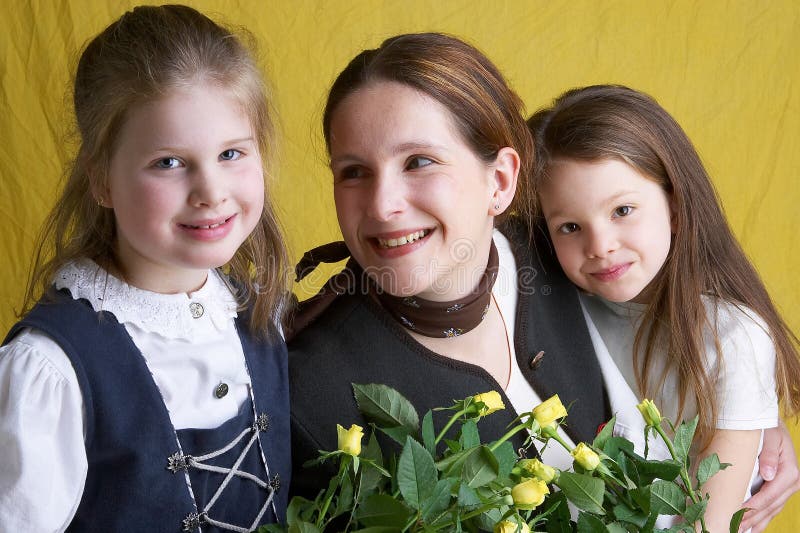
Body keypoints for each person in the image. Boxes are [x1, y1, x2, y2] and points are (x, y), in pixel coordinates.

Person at [287, 34, 799, 531]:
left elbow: (683, 294)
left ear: (502, 181)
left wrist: (745, 414)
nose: (382, 207)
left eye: (419, 161)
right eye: (353, 172)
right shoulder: (310, 389)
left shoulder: (557, 248)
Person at [0, 5, 290, 532]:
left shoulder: (259, 316)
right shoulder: (50, 369)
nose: (211, 193)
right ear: (103, 181)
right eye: (169, 162)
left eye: (231, 153)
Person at [529, 84, 800, 531]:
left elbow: (705, 524)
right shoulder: (554, 301)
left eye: (622, 210)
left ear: (675, 205)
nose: (600, 246)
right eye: (570, 226)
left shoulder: (733, 336)